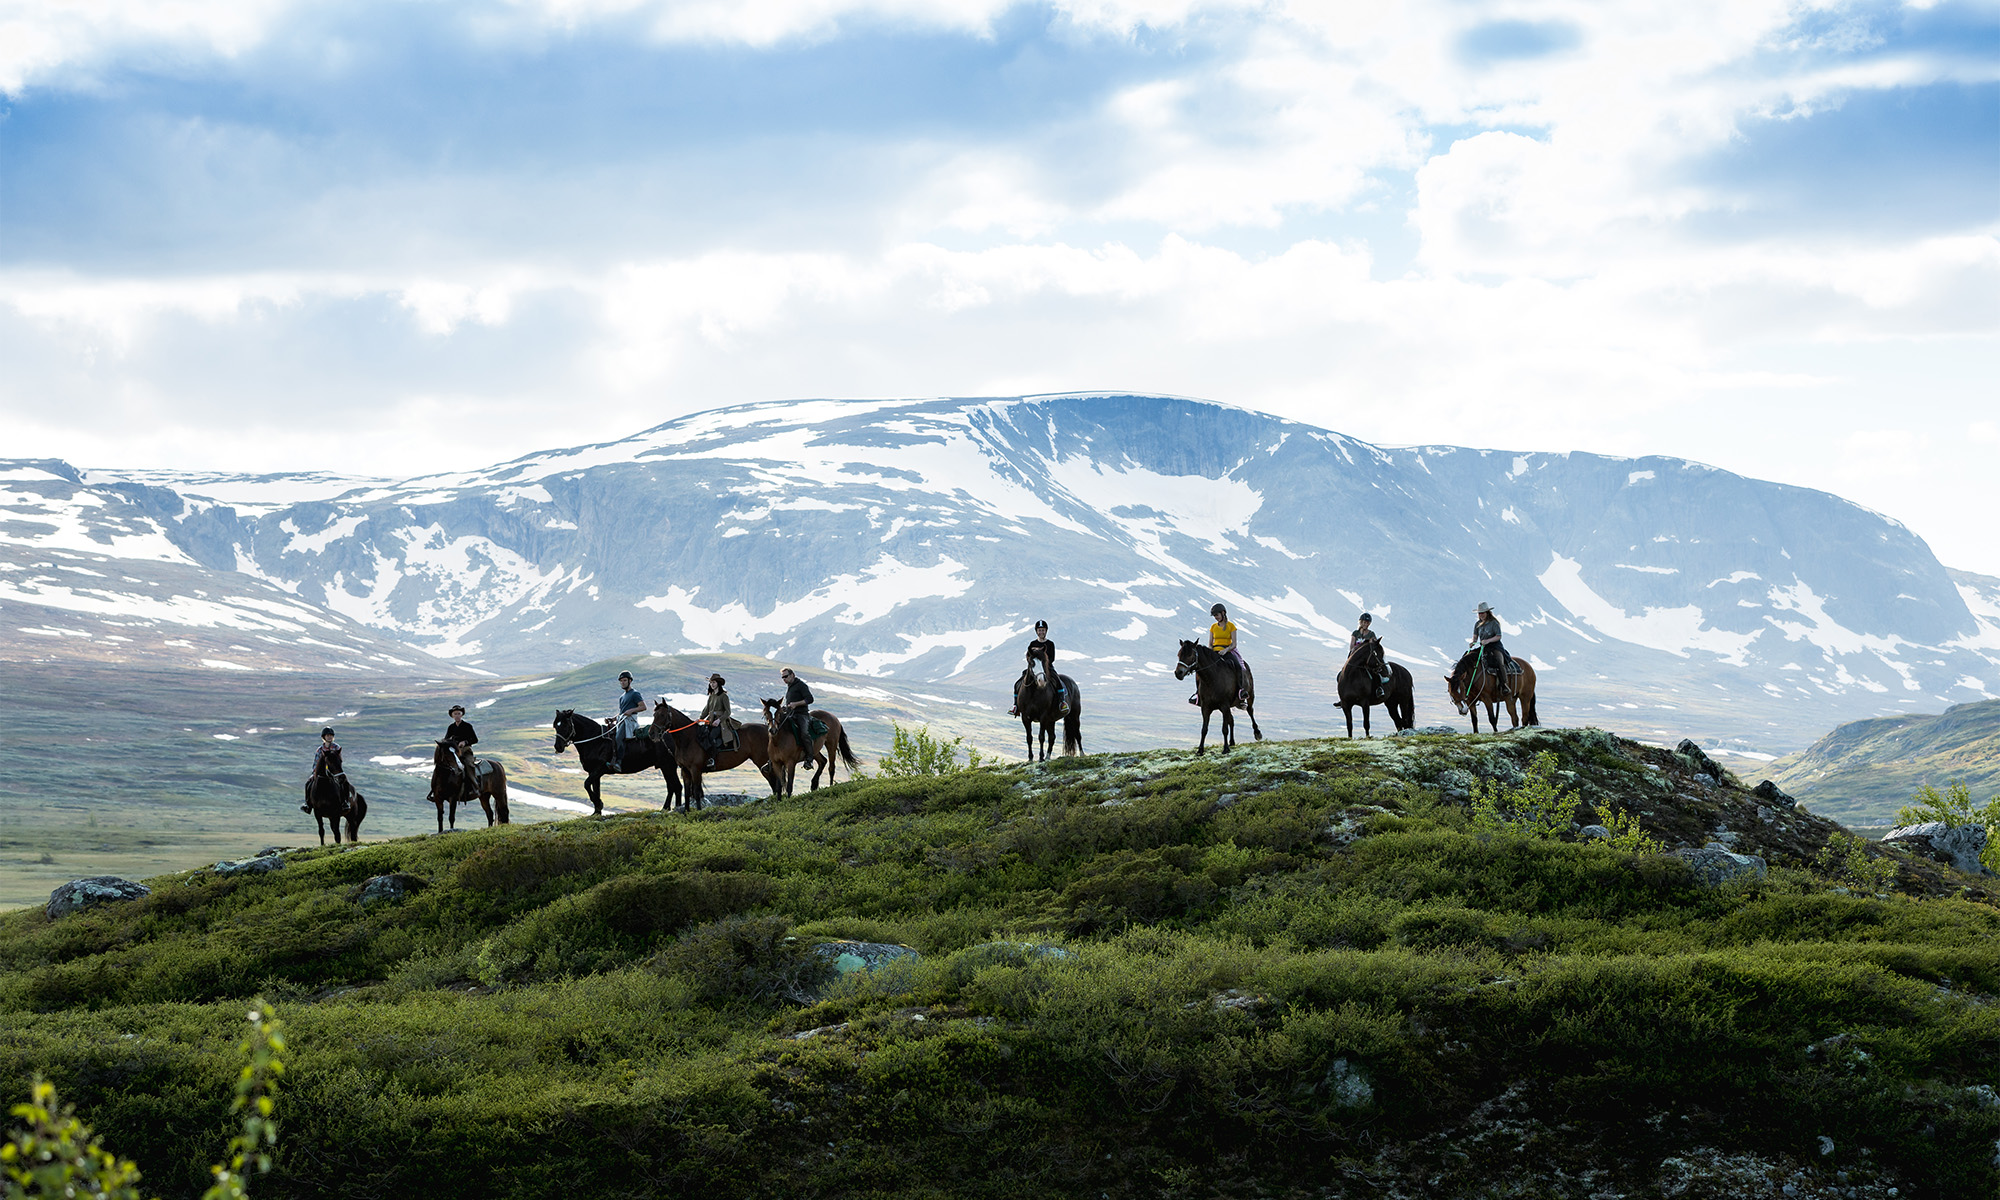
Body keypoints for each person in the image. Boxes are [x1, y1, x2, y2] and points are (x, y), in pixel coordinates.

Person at [1009, 619, 1069, 717]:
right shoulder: (1032, 644)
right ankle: (1016, 706)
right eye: (1039, 630)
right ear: (1036, 631)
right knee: (1017, 683)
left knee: (1058, 682)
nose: (1041, 632)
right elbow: (1028, 656)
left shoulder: (1050, 644)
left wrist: (1044, 664)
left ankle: (1062, 703)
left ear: (1046, 631)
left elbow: (1052, 658)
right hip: (1034, 668)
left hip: (1047, 668)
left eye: (1043, 630)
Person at [1200, 603, 1249, 707]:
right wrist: (1210, 652)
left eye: (1217, 615)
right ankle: (1198, 694)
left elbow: (1234, 643)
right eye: (1214, 616)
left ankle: (1241, 690)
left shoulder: (1231, 626)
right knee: (1201, 668)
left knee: (1237, 666)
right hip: (1214, 652)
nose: (1216, 618)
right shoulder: (1213, 627)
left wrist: (1226, 650)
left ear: (1223, 613)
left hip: (1227, 651)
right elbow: (1210, 643)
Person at [302, 726, 356, 815]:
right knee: (308, 783)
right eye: (327, 736)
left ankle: (345, 802)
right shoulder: (320, 749)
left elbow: (339, 761)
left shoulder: (336, 747)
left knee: (344, 783)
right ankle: (308, 804)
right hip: (321, 772)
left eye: (331, 735)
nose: (329, 737)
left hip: (335, 771)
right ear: (324, 737)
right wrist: (314, 773)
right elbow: (316, 762)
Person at [1471, 602, 1513, 697]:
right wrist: (1473, 642)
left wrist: (1488, 641)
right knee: (1469, 658)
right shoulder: (1477, 624)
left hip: (1495, 647)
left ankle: (1504, 684)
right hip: (1484, 647)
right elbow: (1475, 636)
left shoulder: (1494, 623)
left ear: (1487, 612)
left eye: (1483, 613)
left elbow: (1498, 636)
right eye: (1479, 613)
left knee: (1499, 661)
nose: (1481, 615)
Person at [1348, 613, 1392, 700]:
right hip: (1355, 658)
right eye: (1364, 622)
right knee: (1343, 674)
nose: (1365, 624)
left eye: (1367, 623)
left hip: (1366, 659)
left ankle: (1379, 689)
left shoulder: (1371, 634)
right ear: (1360, 622)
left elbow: (1373, 646)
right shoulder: (1355, 633)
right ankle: (1344, 695)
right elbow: (1351, 646)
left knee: (1375, 673)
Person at [699, 673, 737, 768]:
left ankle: (712, 759)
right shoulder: (711, 696)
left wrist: (719, 720)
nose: (712, 684)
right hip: (711, 721)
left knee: (711, 737)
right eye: (711, 682)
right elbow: (706, 710)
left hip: (721, 723)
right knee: (702, 735)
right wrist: (700, 719)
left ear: (718, 683)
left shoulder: (724, 696)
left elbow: (728, 712)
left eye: (714, 682)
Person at [610, 670, 644, 771]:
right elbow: (621, 712)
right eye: (621, 681)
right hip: (622, 720)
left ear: (630, 681)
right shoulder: (621, 697)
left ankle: (619, 762)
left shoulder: (635, 694)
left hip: (630, 721)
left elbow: (643, 707)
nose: (622, 683)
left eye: (624, 680)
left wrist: (631, 710)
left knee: (618, 738)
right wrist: (613, 718)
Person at [778, 667, 814, 753]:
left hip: (801, 714)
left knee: (804, 734)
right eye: (782, 677)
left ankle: (809, 757)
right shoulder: (790, 686)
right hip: (790, 714)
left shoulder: (801, 685)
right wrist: (785, 708)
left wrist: (795, 704)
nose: (784, 679)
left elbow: (810, 699)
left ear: (792, 675)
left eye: (786, 676)